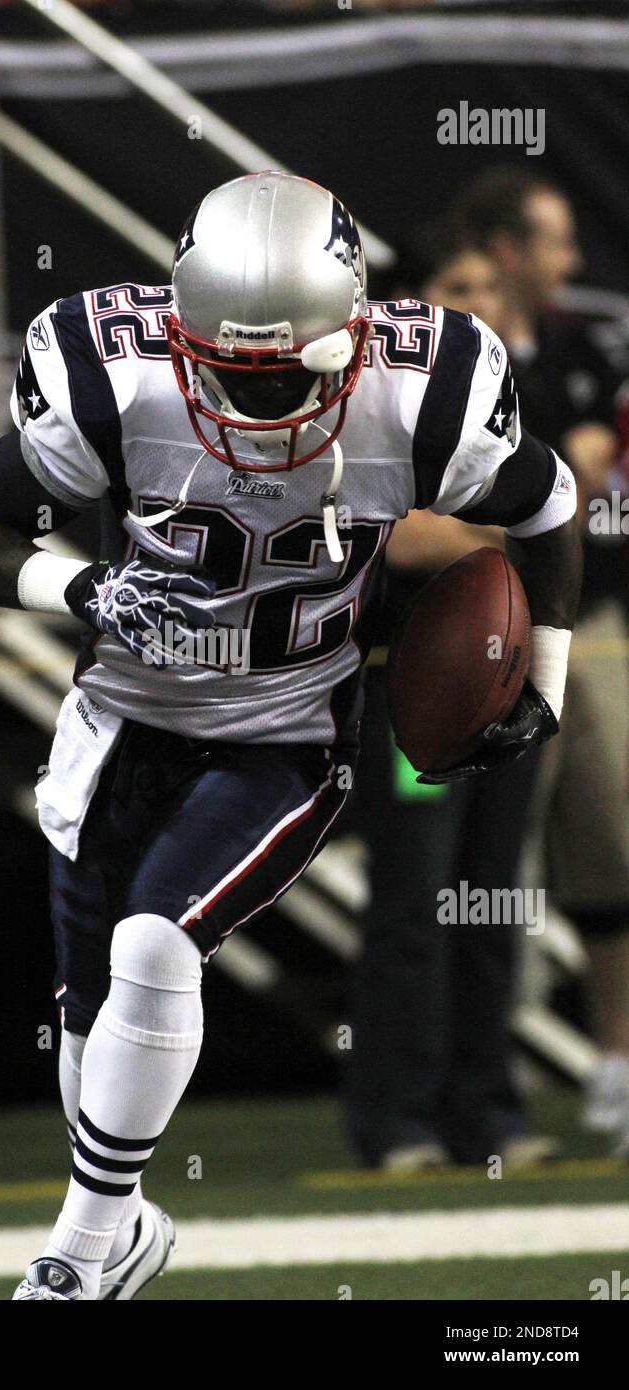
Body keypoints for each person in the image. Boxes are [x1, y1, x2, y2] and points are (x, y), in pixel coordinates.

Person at [0, 171, 581, 1300]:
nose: (248, 400)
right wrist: (80, 587)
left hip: (285, 732)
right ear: (182, 334)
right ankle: (119, 1230)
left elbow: (548, 503)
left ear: (351, 334)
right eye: (225, 366)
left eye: (281, 375)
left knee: (154, 947)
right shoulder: (117, 376)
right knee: (87, 1018)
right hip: (119, 724)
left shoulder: (418, 395)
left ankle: (77, 1257)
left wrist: (547, 678)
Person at [345, 231, 557, 1169]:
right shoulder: (387, 410)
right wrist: (517, 537)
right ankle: (399, 1119)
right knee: (416, 898)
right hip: (417, 689)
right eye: (453, 286)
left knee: (493, 897)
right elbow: (411, 540)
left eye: (488, 288)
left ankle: (489, 1113)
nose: (476, 302)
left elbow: (558, 505)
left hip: (507, 685)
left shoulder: (509, 411)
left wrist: (488, 533)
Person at [453, 169, 629, 1150]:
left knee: (605, 833)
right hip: (480, 625)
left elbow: (577, 471)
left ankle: (611, 1059)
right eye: (551, 242)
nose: (568, 262)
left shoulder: (573, 347)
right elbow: (517, 486)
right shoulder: (452, 365)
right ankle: (477, 1080)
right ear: (502, 249)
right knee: (478, 859)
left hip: (582, 611)